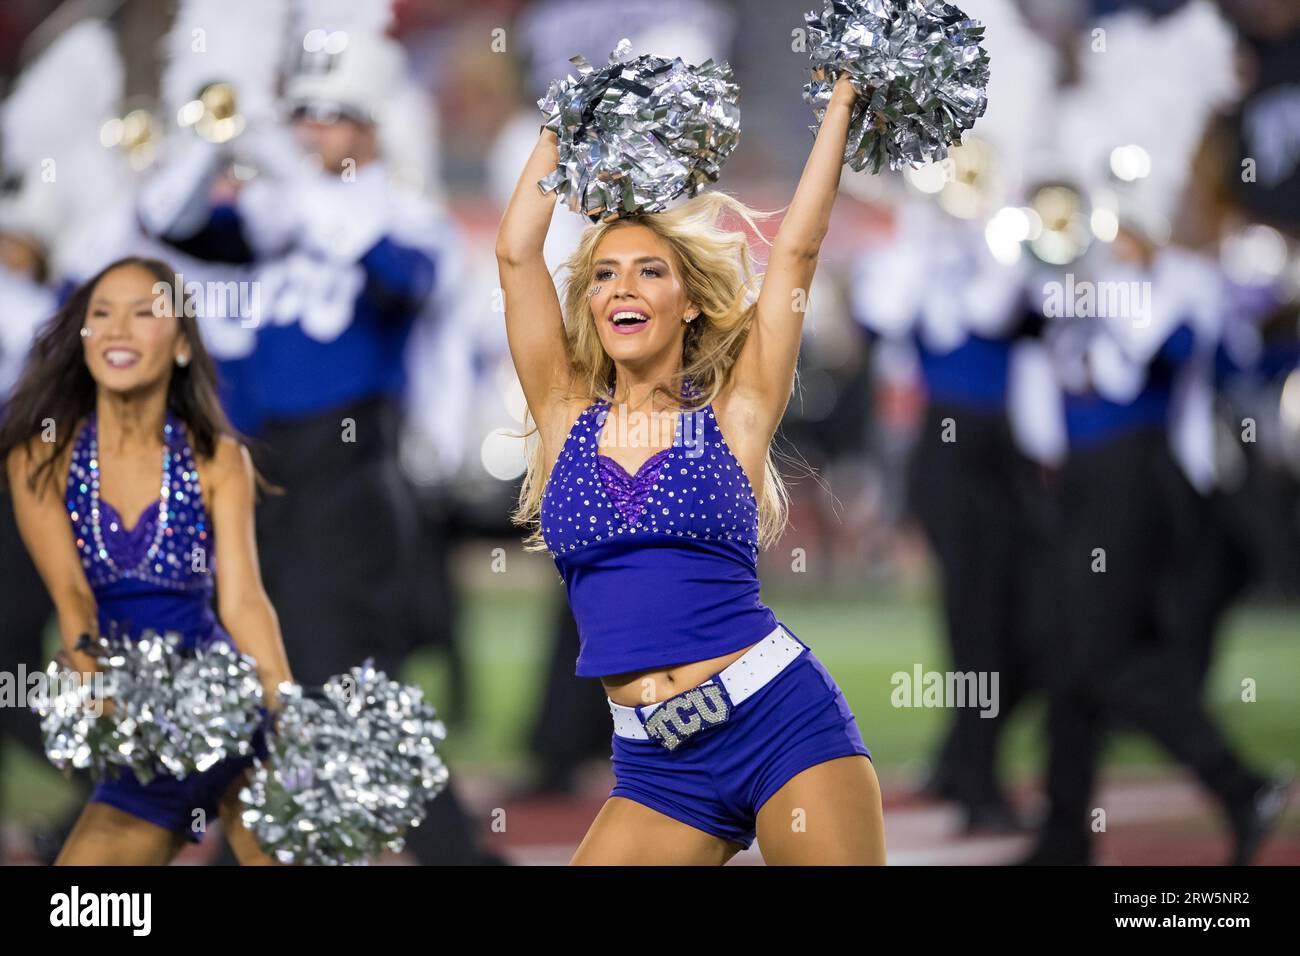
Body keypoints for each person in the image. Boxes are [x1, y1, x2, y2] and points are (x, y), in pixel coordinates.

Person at [496, 75, 885, 865]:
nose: (621, 289)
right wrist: (563, 123)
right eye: (604, 274)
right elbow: (514, 254)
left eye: (649, 271)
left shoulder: (736, 418)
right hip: (655, 769)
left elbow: (798, 255)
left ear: (691, 301)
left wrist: (843, 103)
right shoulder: (563, 416)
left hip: (778, 722)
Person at [0, 256, 292, 865]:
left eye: (145, 313)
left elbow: (241, 600)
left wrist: (287, 709)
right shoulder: (39, 460)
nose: (118, 329)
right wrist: (92, 679)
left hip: (226, 708)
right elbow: (72, 595)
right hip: (144, 724)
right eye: (101, 314)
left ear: (182, 344)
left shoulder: (218, 458)